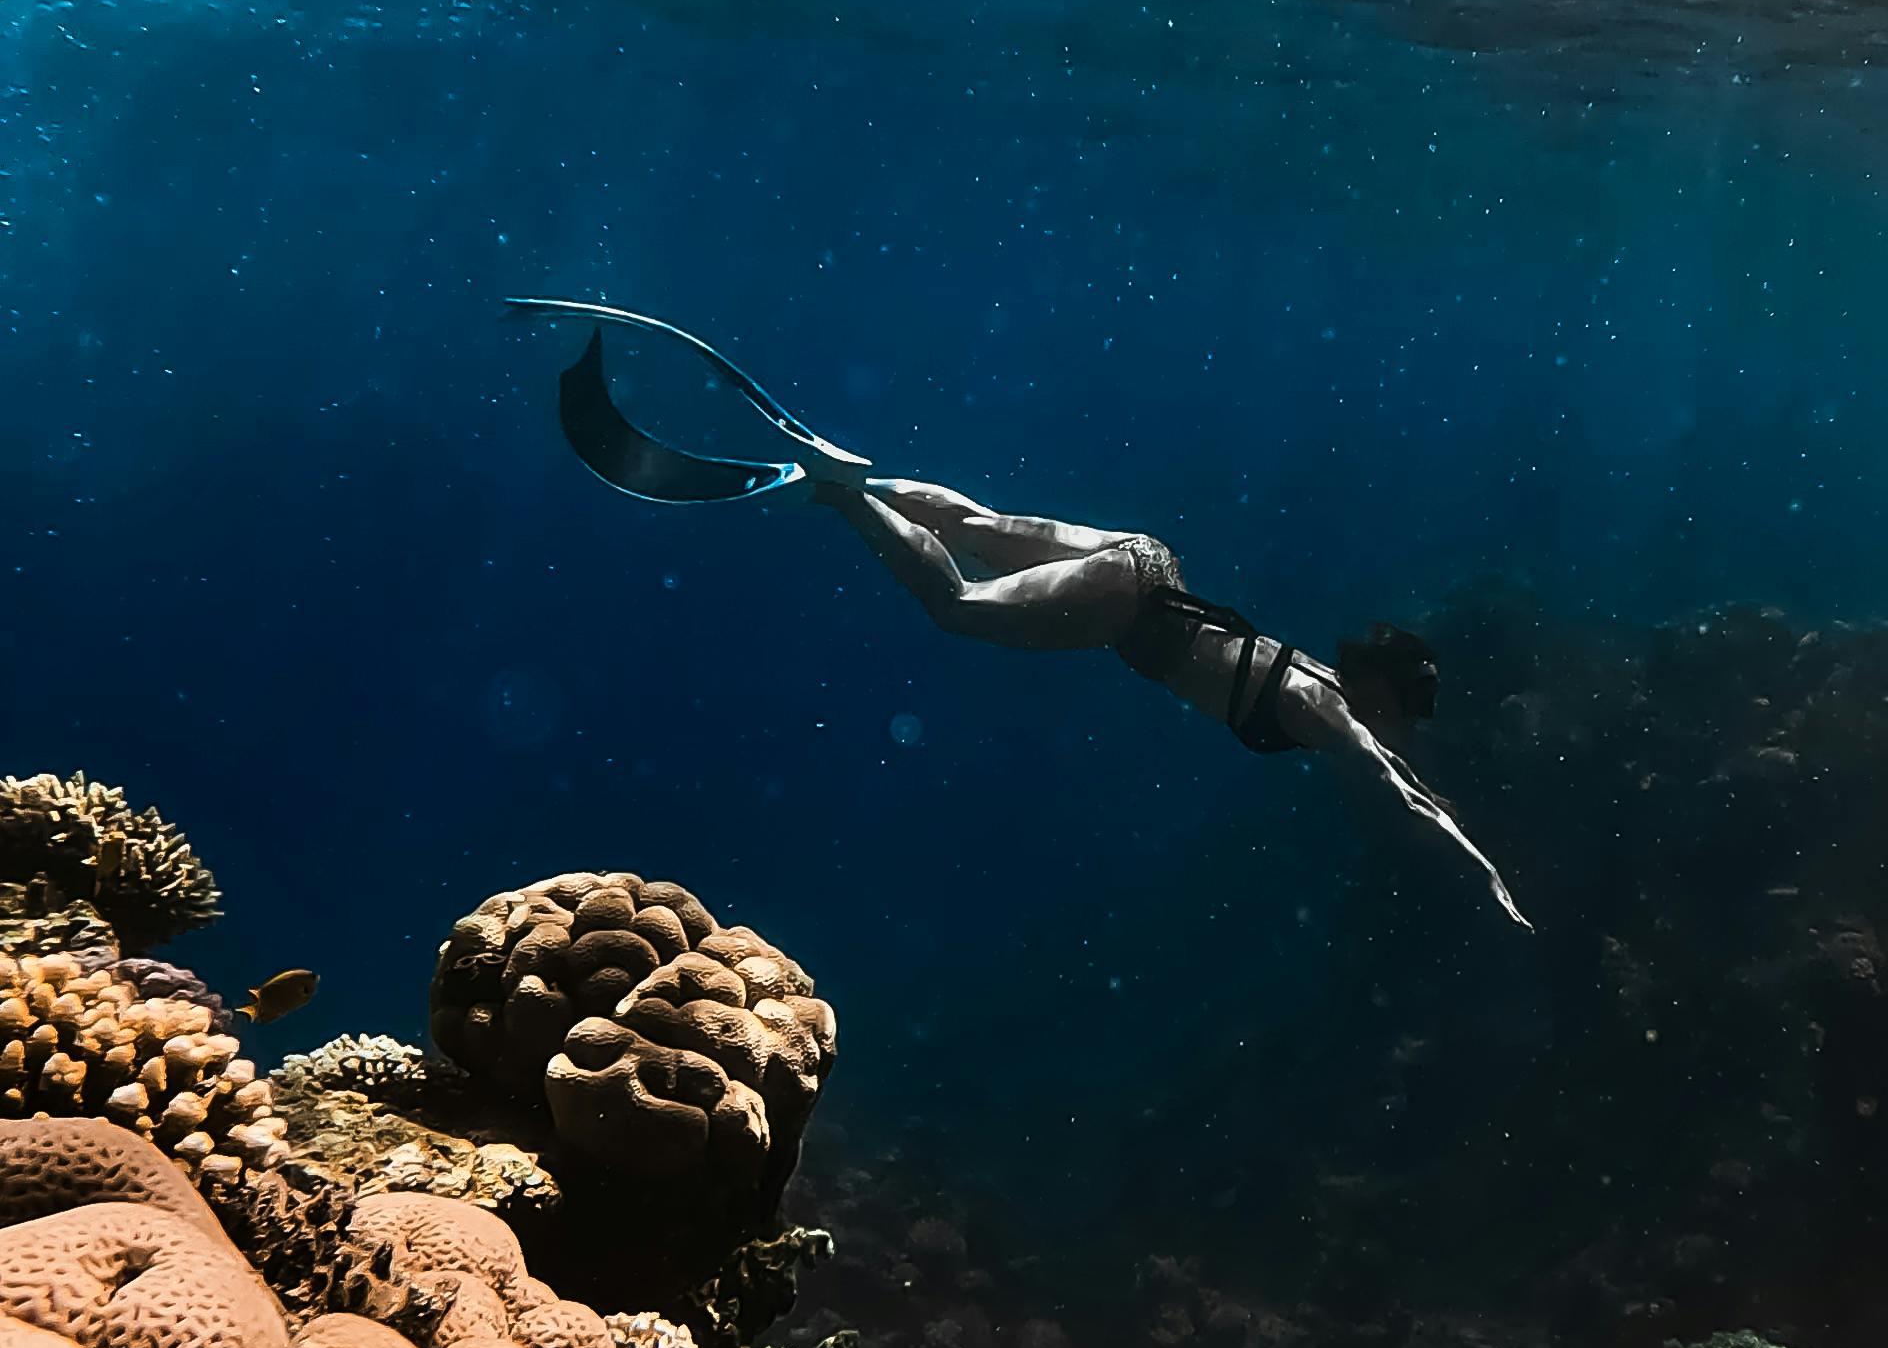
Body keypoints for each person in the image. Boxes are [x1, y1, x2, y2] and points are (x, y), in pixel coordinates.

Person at [509, 297, 1528, 926]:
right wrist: (1485, 883)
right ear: (1382, 691)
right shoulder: (1324, 713)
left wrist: (1472, 851)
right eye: (1408, 707)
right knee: (960, 602)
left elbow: (1403, 781)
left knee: (983, 523)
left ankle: (857, 477)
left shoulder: (1322, 682)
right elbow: (1401, 797)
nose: (1402, 729)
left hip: (1146, 557)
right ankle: (839, 489)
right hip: (1126, 603)